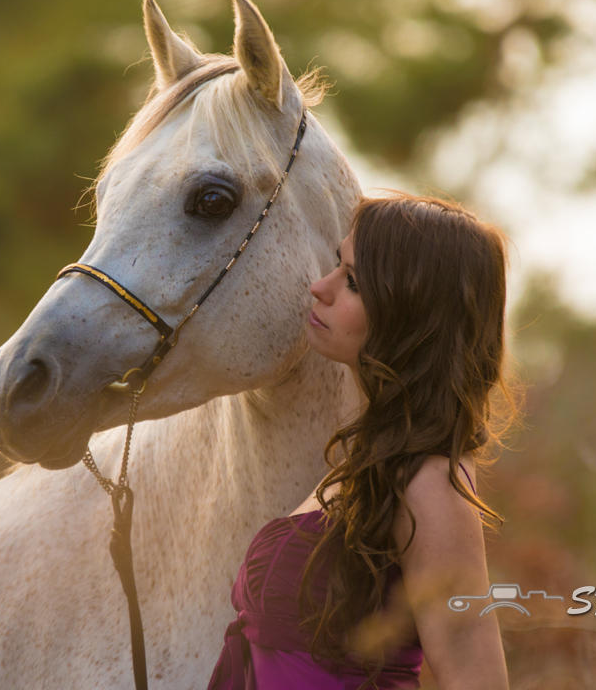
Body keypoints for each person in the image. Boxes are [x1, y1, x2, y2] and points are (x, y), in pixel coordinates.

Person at [207, 192, 520, 690]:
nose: (320, 287)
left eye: (351, 281)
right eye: (337, 265)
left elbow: (474, 678)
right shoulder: (371, 461)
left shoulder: (431, 480)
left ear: (409, 315)